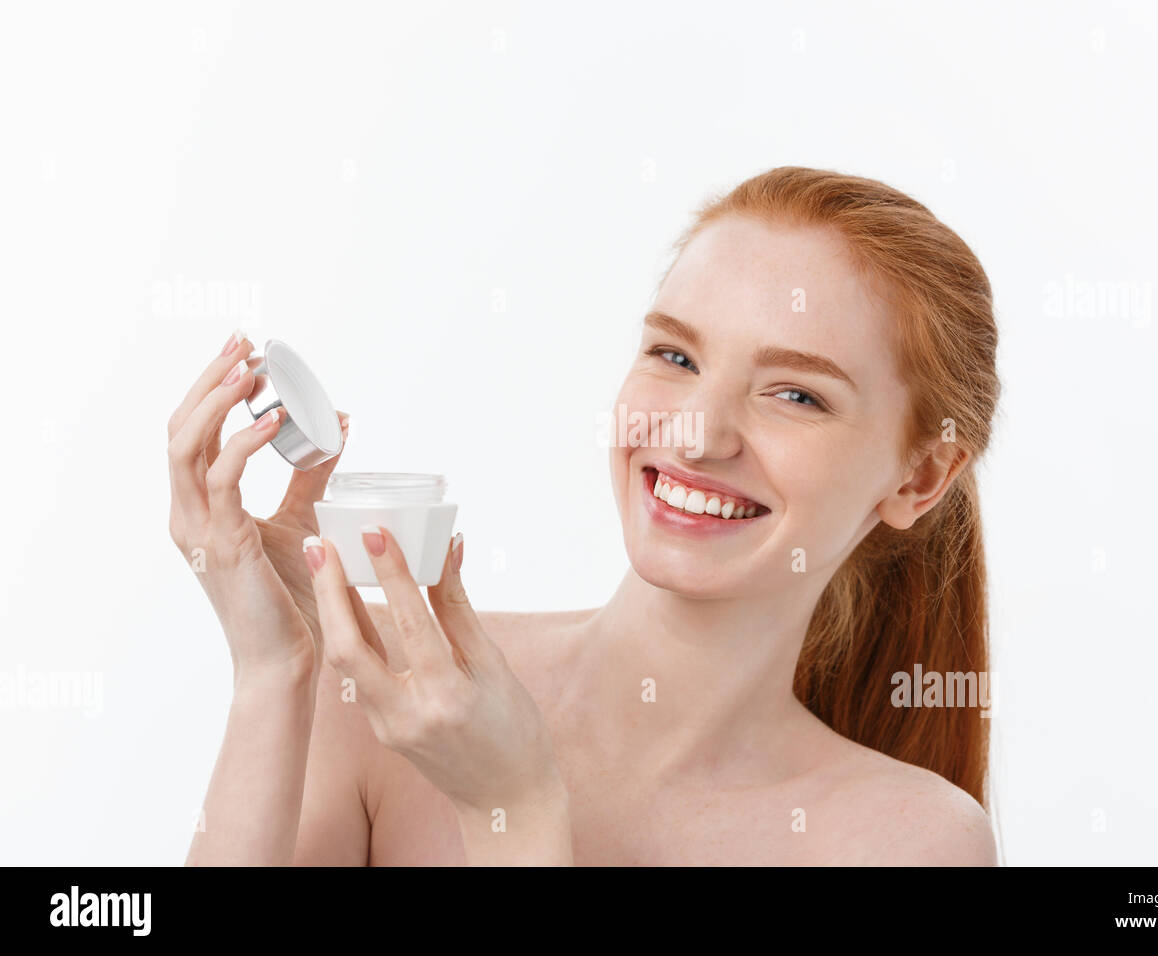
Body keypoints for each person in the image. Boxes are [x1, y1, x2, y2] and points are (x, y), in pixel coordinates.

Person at [172, 166, 1001, 865]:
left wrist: (516, 811)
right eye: (674, 356)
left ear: (921, 477)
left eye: (796, 394)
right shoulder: (385, 691)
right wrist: (278, 674)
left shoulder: (908, 841)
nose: (696, 434)